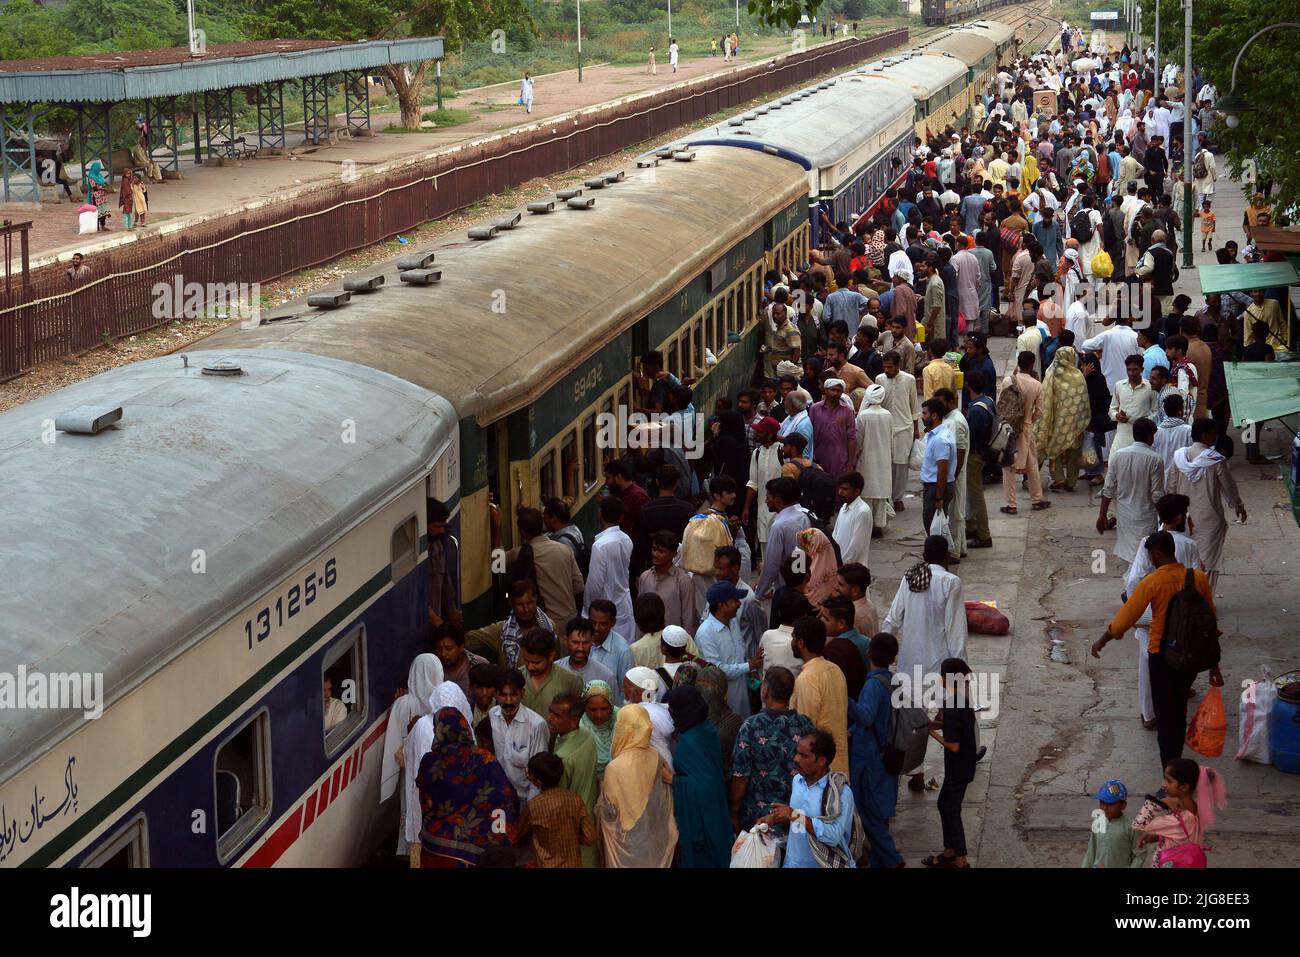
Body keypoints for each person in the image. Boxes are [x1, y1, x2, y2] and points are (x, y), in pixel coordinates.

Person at [1090, 531, 1222, 767]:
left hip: (1161, 656)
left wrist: (1102, 640)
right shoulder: (1199, 579)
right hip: (1189, 656)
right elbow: (1210, 624)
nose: (1149, 559)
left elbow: (1125, 618)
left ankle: (1170, 770)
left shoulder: (1152, 582)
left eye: (1150, 555)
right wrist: (1214, 665)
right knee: (1179, 708)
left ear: (1158, 554)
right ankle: (1176, 760)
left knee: (1164, 715)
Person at [883, 535, 968, 791]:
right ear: (946, 557)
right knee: (957, 715)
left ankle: (915, 772)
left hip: (911, 660)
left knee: (912, 721)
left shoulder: (910, 577)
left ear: (924, 555)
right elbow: (956, 629)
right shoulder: (951, 582)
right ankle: (962, 760)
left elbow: (893, 618)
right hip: (941, 662)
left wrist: (883, 656)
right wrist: (961, 665)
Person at [1125, 493, 1203, 730]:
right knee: (1183, 657)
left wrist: (1140, 607)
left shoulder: (1148, 542)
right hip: (1183, 618)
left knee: (1148, 664)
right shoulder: (1189, 545)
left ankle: (1149, 714)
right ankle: (1177, 702)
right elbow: (1198, 580)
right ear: (1180, 516)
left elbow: (1134, 579)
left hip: (1153, 616)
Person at [414, 708, 518, 867]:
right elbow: (503, 797)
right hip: (477, 851)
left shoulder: (429, 762)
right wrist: (500, 838)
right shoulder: (484, 759)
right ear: (465, 728)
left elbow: (425, 802)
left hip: (435, 847)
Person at [757, 730, 864, 868]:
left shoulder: (841, 793)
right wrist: (775, 818)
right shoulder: (798, 781)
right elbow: (800, 817)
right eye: (797, 753)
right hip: (793, 862)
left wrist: (794, 815)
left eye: (803, 755)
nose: (796, 759)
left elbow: (833, 836)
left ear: (821, 761)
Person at [730, 666, 814, 832]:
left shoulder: (750, 727)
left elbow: (740, 777)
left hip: (759, 819)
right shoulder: (806, 724)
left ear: (765, 690)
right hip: (796, 815)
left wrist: (733, 811)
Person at [1165, 418, 1245, 590]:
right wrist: (1238, 506)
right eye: (1213, 433)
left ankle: (1183, 596)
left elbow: (1170, 488)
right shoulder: (1216, 460)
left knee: (1183, 558)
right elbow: (1229, 488)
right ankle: (1203, 600)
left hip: (1182, 518)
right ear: (1205, 435)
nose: (1216, 436)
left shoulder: (1179, 458)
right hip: (1210, 518)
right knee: (1208, 561)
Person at [846, 632, 904, 868]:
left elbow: (868, 716)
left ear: (869, 653)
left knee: (869, 814)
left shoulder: (872, 684)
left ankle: (893, 860)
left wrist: (846, 700)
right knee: (881, 810)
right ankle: (881, 861)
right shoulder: (894, 681)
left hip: (871, 757)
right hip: (888, 753)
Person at [597, 704, 678, 867]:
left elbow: (609, 815)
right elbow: (664, 801)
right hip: (654, 840)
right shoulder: (657, 757)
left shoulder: (614, 768)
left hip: (624, 848)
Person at [663, 685, 732, 867]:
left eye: (672, 709)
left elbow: (705, 788)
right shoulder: (706, 729)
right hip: (717, 810)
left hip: (704, 821)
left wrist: (674, 781)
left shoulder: (689, 743)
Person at [922, 658, 978, 869]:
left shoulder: (953, 705)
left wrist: (932, 732)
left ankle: (961, 858)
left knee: (950, 808)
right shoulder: (961, 700)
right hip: (964, 765)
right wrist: (935, 724)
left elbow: (953, 745)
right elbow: (954, 726)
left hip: (959, 766)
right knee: (945, 805)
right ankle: (950, 851)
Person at [1132, 758, 1227, 867]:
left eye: (1169, 781)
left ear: (1184, 787)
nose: (1163, 785)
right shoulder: (1193, 807)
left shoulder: (1177, 820)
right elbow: (1178, 836)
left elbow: (1138, 824)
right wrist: (1158, 836)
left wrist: (1156, 803)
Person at [790, 615, 849, 776]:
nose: (792, 642)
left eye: (794, 638)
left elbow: (807, 729)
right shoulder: (835, 669)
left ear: (801, 643)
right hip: (839, 764)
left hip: (820, 771)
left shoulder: (807, 678)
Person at [694, 581, 761, 719]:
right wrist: (749, 666)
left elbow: (741, 650)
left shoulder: (733, 621)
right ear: (721, 605)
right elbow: (718, 671)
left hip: (742, 696)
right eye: (735, 600)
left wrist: (750, 670)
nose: (739, 604)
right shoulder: (705, 633)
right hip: (725, 704)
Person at [508, 506, 584, 628]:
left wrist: (496, 528)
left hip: (546, 623)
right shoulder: (565, 549)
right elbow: (578, 586)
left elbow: (497, 563)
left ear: (522, 532)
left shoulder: (520, 553)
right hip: (570, 619)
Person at [517, 752, 596, 868]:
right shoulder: (575, 799)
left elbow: (520, 832)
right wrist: (571, 836)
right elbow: (590, 838)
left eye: (530, 774)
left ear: (538, 782)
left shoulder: (533, 806)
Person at [546, 692, 598, 864]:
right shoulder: (588, 736)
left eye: (557, 715)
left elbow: (558, 800)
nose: (549, 718)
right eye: (550, 712)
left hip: (572, 825)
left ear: (574, 720)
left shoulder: (563, 757)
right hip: (589, 816)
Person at [487, 669, 550, 801]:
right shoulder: (493, 715)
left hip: (525, 801)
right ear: (496, 695)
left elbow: (538, 775)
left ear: (522, 693)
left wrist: (529, 811)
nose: (508, 701)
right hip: (499, 796)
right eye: (503, 695)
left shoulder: (537, 725)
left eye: (513, 695)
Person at [466, 579, 555, 671]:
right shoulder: (500, 630)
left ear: (536, 599)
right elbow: (467, 640)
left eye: (529, 603)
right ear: (511, 604)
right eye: (520, 605)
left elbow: (556, 660)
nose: (526, 609)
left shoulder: (549, 627)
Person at [1036, 345, 1090, 493]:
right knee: (1074, 453)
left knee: (1056, 449)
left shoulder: (1050, 374)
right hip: (1074, 423)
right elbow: (1083, 400)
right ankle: (1071, 482)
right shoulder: (1078, 376)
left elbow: (1045, 398)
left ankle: (1058, 478)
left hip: (1056, 422)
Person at [1001, 351, 1048, 514]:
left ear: (1018, 364)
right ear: (1032, 365)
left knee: (1008, 465)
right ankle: (1036, 499)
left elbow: (1002, 404)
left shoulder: (1008, 381)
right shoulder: (1036, 385)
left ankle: (1011, 504)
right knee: (1032, 463)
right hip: (1026, 428)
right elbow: (1040, 411)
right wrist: (1028, 421)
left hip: (1009, 428)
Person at [876, 352, 921, 513]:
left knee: (901, 465)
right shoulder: (879, 379)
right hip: (885, 428)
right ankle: (887, 496)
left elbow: (914, 405)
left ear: (898, 366)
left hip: (904, 428)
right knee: (886, 463)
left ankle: (898, 498)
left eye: (890, 367)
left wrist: (916, 430)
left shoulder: (909, 380)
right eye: (885, 367)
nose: (887, 370)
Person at [584, 495, 634, 638]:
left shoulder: (600, 546)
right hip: (624, 606)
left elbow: (594, 586)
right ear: (621, 517)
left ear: (600, 514)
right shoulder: (627, 540)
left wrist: (588, 611)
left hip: (604, 609)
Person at [755, 477, 810, 599]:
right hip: (801, 586)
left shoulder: (778, 526)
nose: (766, 500)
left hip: (784, 591)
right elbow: (803, 552)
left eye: (768, 497)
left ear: (778, 500)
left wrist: (760, 592)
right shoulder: (803, 517)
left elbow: (772, 564)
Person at [636, 530, 698, 637]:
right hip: (647, 644)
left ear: (673, 554)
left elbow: (689, 619)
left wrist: (685, 648)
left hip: (673, 646)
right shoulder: (645, 577)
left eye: (661, 551)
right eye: (654, 549)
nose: (655, 554)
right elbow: (639, 615)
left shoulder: (683, 581)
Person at [852, 384, 895, 533]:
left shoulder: (863, 416)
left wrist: (856, 456)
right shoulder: (888, 415)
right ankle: (879, 525)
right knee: (881, 493)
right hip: (883, 458)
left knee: (867, 493)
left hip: (867, 458)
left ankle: (867, 526)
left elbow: (859, 440)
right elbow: (890, 437)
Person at [520, 627, 584, 721]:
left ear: (551, 656)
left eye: (536, 663)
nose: (530, 667)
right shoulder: (517, 677)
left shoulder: (571, 681)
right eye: (526, 661)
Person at [1081, 779, 1149, 868]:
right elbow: (1091, 850)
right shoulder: (1098, 822)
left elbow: (1140, 853)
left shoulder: (1131, 827)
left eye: (1110, 803)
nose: (1105, 807)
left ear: (1123, 805)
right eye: (1102, 803)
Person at [919, 397, 956, 546]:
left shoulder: (940, 439)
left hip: (936, 486)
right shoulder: (934, 435)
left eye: (924, 413)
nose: (922, 417)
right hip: (934, 485)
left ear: (934, 415)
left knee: (933, 525)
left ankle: (938, 558)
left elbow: (942, 469)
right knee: (936, 525)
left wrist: (939, 496)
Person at [556, 617, 617, 703]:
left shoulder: (606, 677)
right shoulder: (554, 670)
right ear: (566, 641)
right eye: (575, 643)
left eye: (585, 643)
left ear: (592, 641)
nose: (580, 648)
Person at [587, 598, 635, 692]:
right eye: (593, 622)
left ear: (613, 622)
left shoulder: (623, 651)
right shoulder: (581, 642)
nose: (596, 628)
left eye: (602, 624)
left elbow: (625, 691)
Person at [432, 625, 489, 701]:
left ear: (461, 647)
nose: (443, 654)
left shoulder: (479, 664)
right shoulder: (432, 669)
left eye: (448, 649)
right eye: (439, 649)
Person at [832, 471, 872, 567]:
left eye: (845, 489)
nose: (840, 492)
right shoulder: (843, 507)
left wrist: (842, 565)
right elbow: (835, 536)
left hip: (852, 569)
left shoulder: (863, 511)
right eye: (840, 488)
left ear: (857, 491)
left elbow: (856, 547)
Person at [581, 679, 620, 778]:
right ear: (584, 707)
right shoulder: (577, 727)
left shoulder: (622, 721)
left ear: (611, 706)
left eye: (604, 709)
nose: (599, 715)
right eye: (593, 709)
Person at [1152, 395, 1192, 471]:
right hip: (1182, 476)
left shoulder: (1156, 431)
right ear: (1180, 411)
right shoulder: (1188, 430)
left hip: (1161, 476)